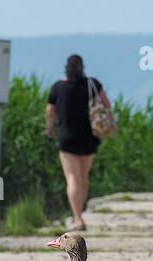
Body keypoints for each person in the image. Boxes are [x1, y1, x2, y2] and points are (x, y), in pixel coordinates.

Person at [46, 55, 109, 232]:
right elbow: (106, 104)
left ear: (66, 68)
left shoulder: (58, 87)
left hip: (66, 138)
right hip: (89, 137)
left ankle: (77, 218)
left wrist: (50, 128)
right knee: (83, 177)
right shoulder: (92, 84)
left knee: (72, 178)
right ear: (83, 67)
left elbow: (50, 111)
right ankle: (80, 210)